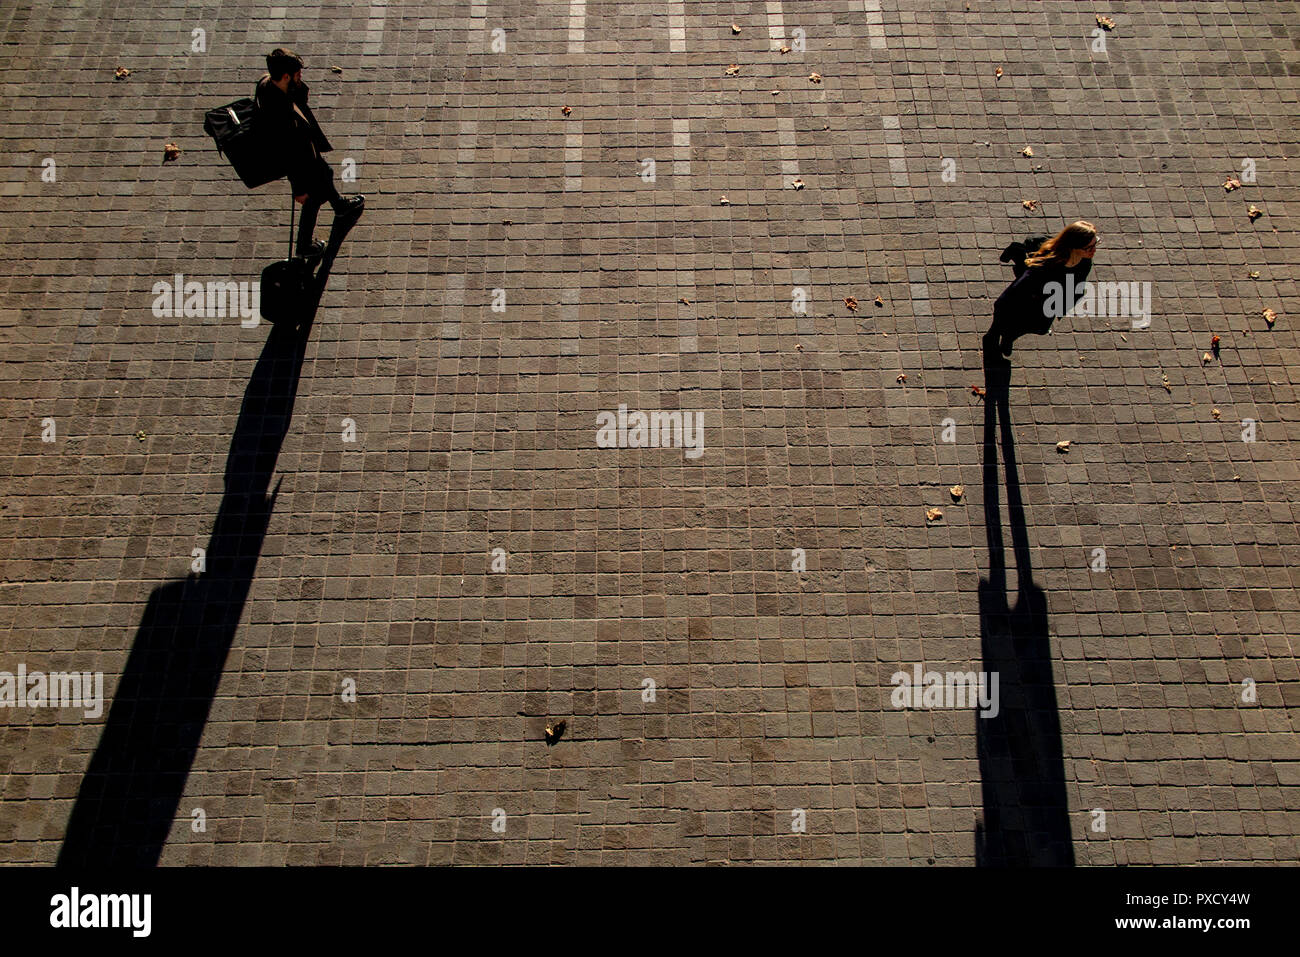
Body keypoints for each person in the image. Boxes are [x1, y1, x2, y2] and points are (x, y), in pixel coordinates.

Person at [254, 48, 364, 263]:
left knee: (328, 171)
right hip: (301, 160)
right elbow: (288, 155)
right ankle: (304, 246)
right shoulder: (280, 115)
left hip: (307, 151)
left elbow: (301, 100)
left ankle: (340, 207)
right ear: (286, 76)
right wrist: (299, 189)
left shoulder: (267, 82)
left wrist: (296, 87)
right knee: (312, 200)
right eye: (297, 75)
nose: (300, 77)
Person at [985, 221, 1098, 359]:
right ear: (1074, 246)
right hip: (1028, 300)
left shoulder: (1085, 261)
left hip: (1047, 306)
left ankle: (1006, 337)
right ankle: (997, 335)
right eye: (1089, 247)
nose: (1094, 250)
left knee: (1029, 327)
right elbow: (1011, 295)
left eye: (1095, 244)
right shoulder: (1047, 265)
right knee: (1011, 322)